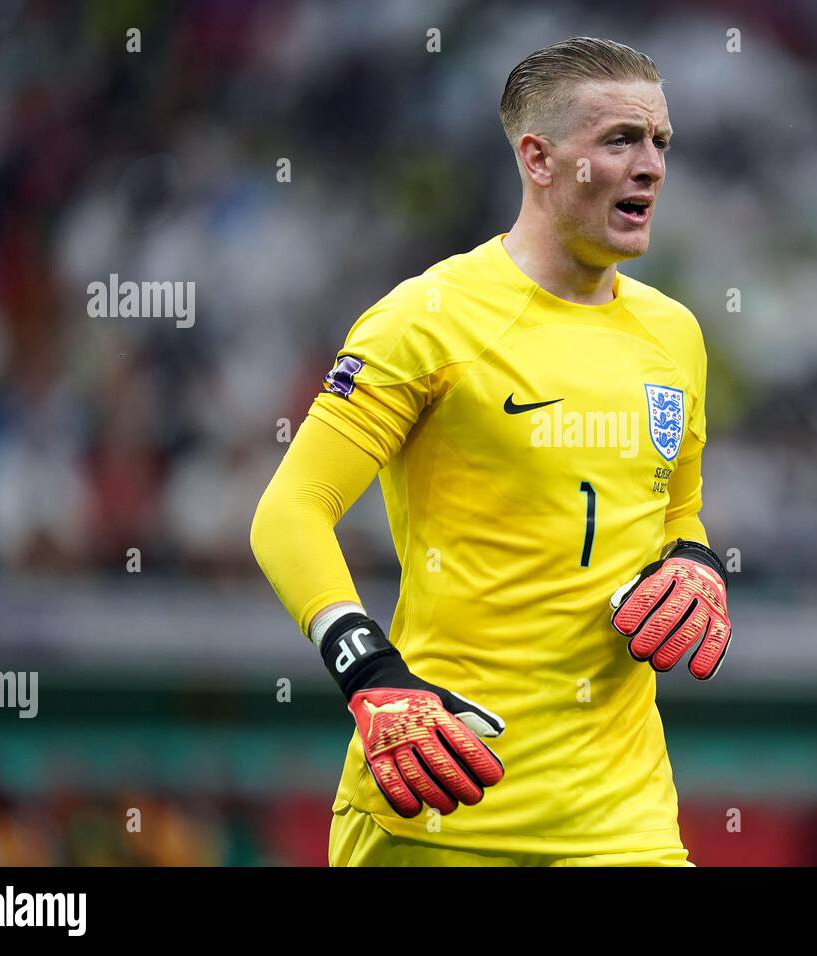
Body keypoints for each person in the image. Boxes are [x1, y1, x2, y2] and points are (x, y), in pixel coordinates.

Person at [251, 36, 732, 867]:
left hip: (621, 823)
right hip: (437, 799)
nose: (650, 165)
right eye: (620, 140)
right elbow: (289, 512)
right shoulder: (427, 320)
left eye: (660, 142)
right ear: (538, 159)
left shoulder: (674, 335)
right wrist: (368, 672)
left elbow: (675, 509)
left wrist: (694, 560)